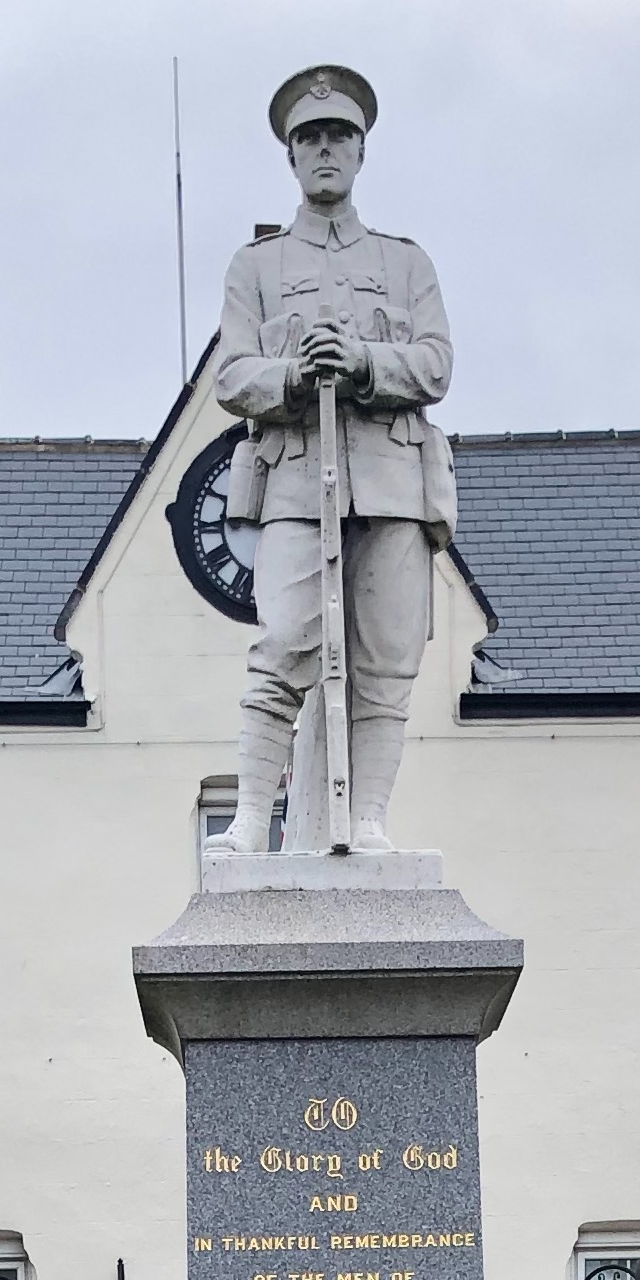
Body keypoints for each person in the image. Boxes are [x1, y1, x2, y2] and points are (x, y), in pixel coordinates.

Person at [209, 63, 453, 856]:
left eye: (339, 136)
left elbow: (438, 365)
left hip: (391, 483)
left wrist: (364, 365)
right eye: (309, 137)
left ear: (359, 152)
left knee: (386, 658)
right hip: (294, 483)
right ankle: (252, 819)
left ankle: (369, 820)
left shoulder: (406, 263)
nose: (325, 150)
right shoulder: (258, 267)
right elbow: (231, 376)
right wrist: (291, 375)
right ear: (290, 155)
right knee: (283, 642)